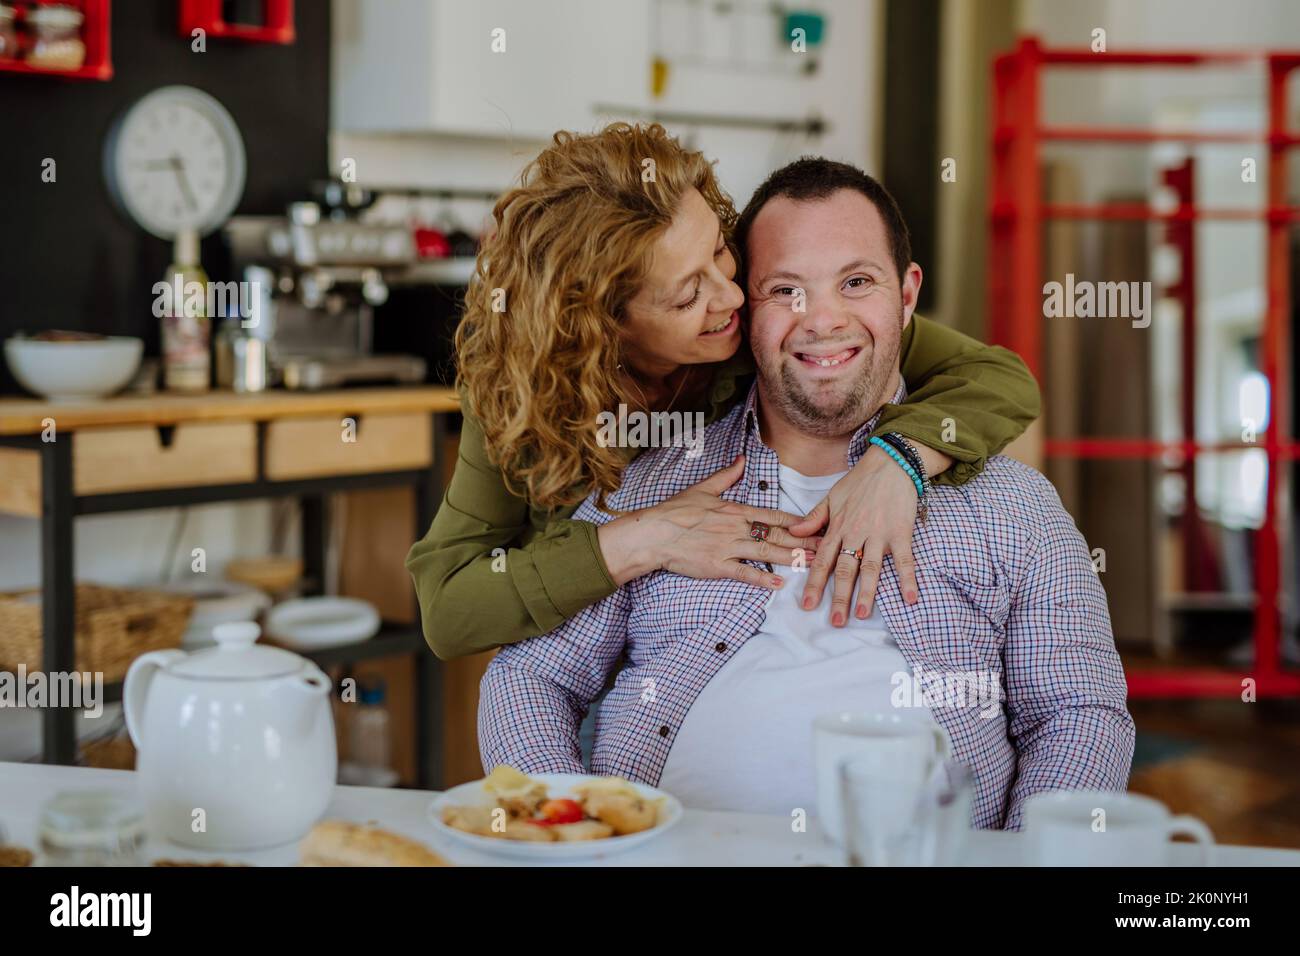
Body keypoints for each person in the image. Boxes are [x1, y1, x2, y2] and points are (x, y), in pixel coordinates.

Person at [478, 159, 1133, 829]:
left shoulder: (1015, 506)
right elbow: (528, 678)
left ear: (907, 296)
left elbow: (1080, 713)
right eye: (785, 289)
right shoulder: (652, 488)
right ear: (743, 312)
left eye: (856, 282)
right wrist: (562, 834)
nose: (822, 319)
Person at [407, 123, 1041, 660]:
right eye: (689, 295)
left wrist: (898, 461)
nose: (733, 296)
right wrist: (638, 539)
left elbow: (996, 378)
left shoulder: (767, 323)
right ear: (601, 326)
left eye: (720, 252)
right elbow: (448, 606)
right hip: (608, 667)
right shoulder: (521, 393)